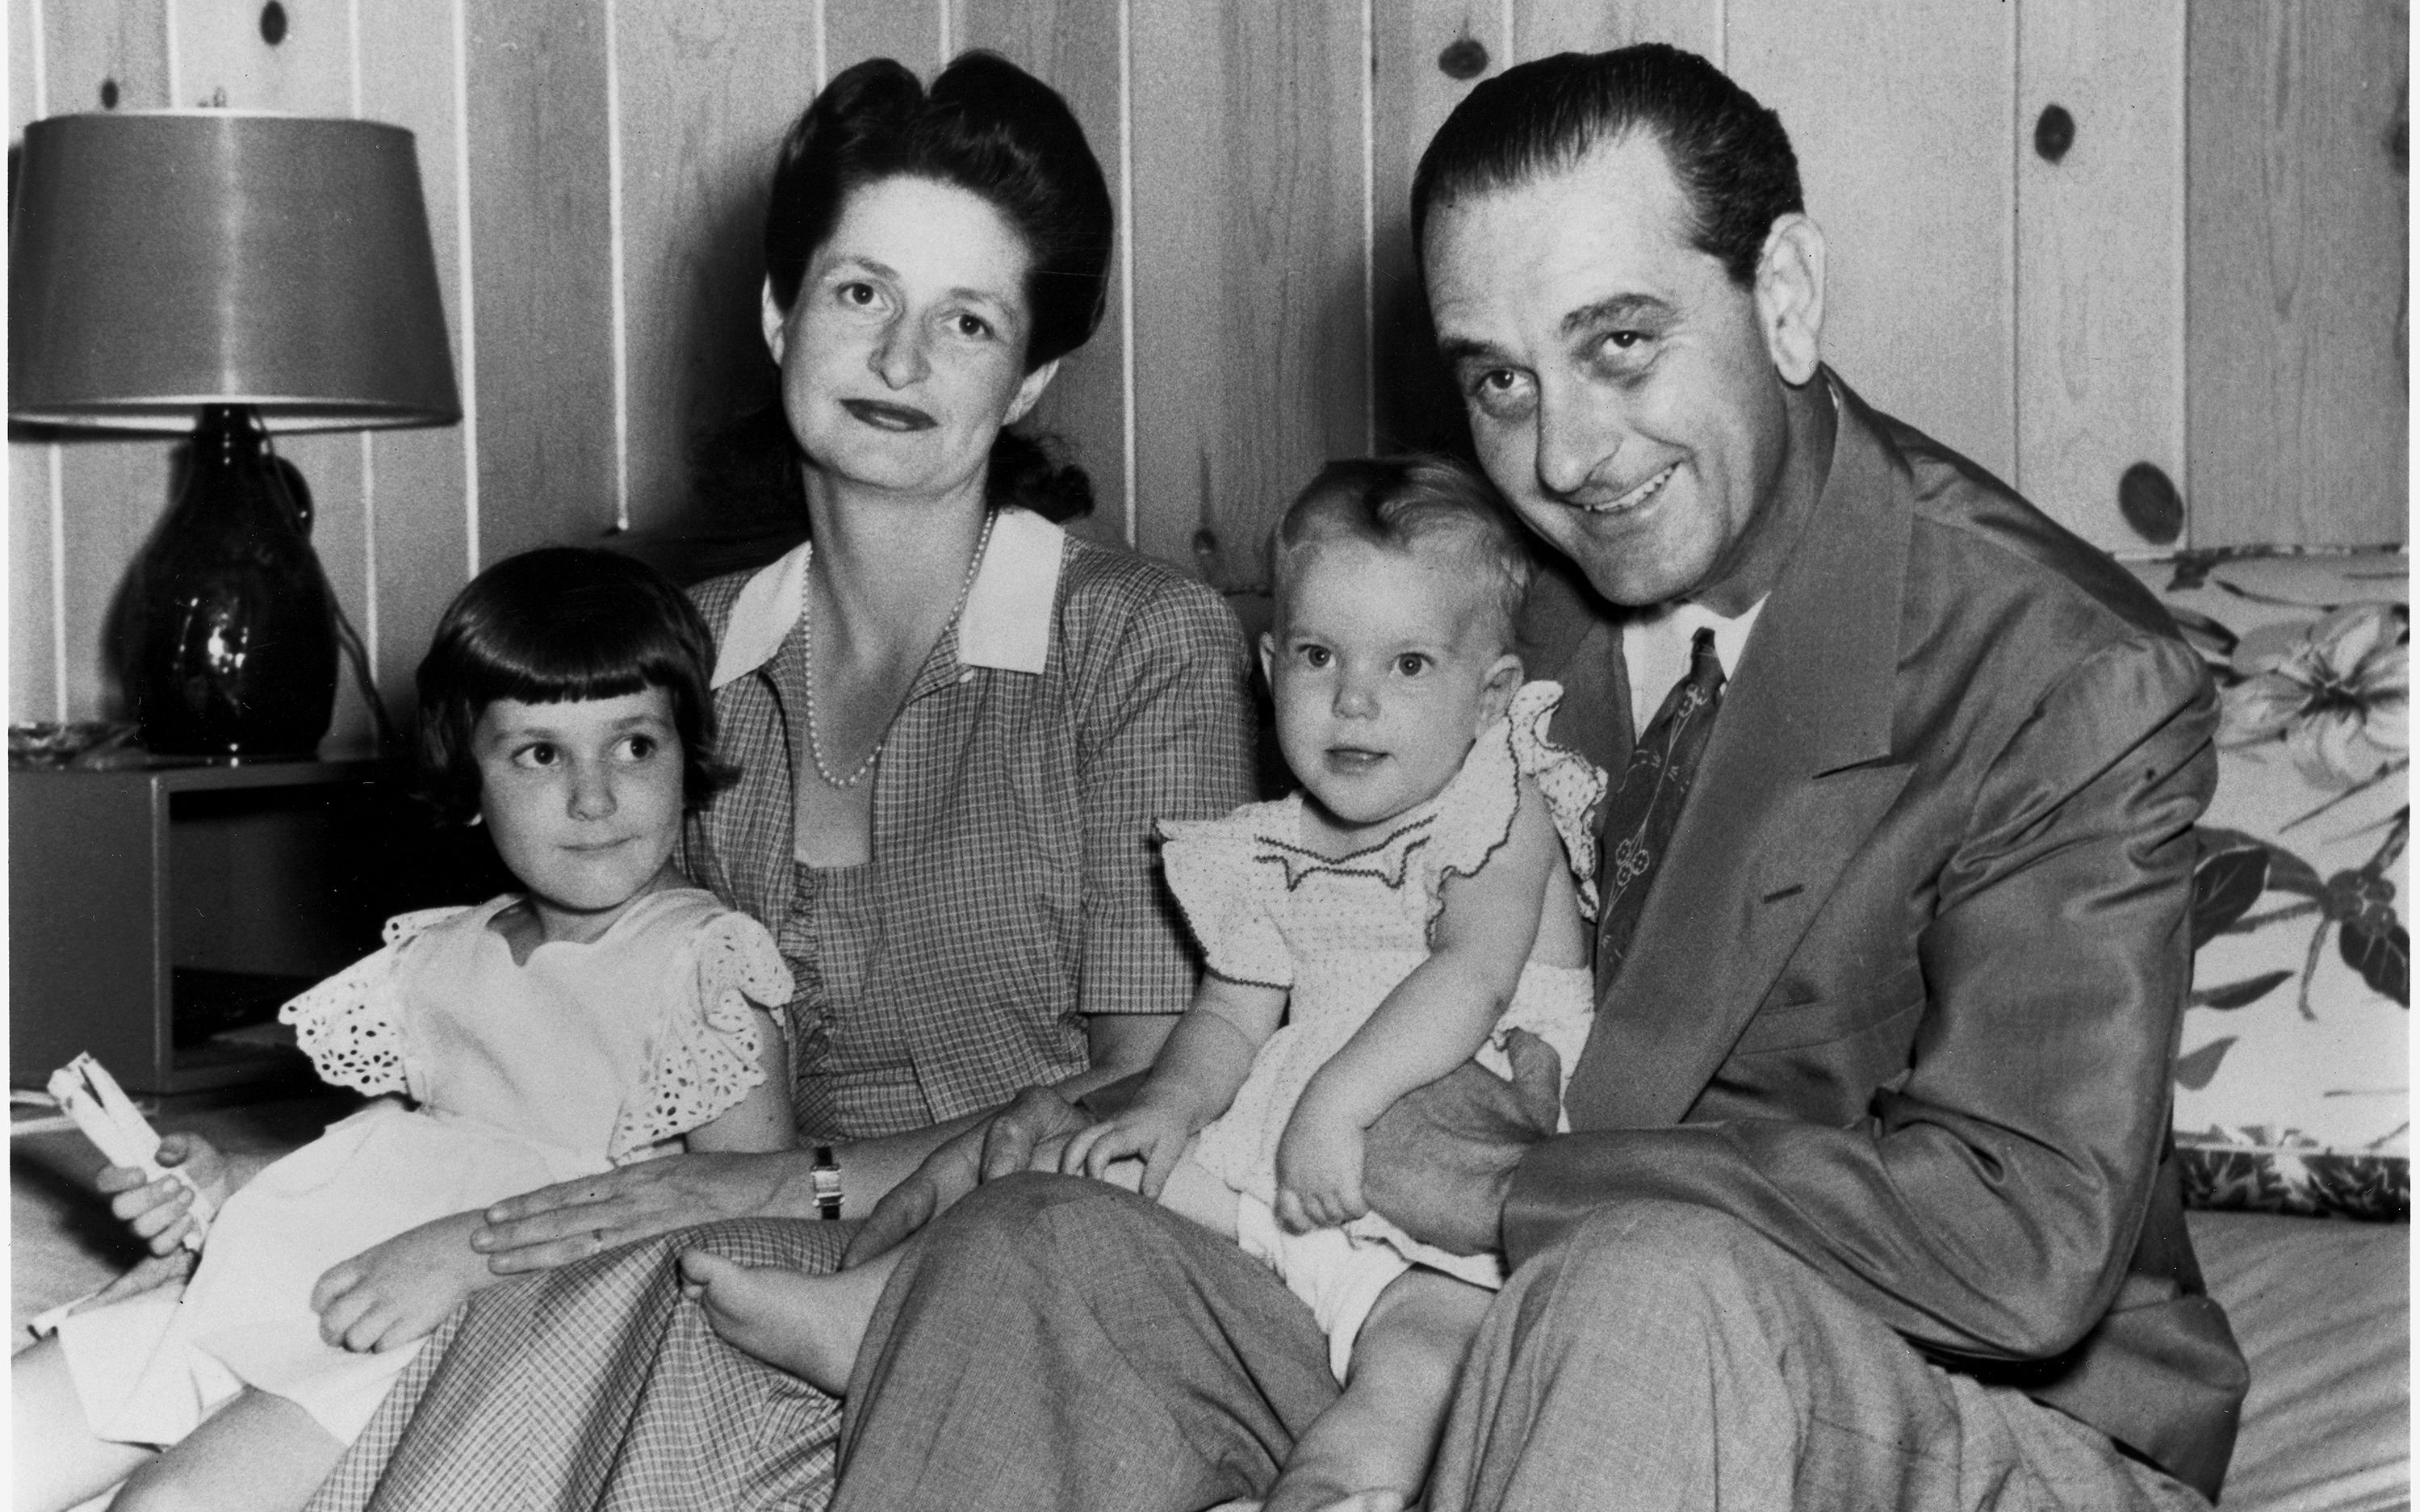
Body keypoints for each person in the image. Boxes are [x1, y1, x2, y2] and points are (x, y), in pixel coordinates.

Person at [819, 43, 2249, 1512]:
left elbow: (2020, 1247)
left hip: (1964, 1407)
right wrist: (1079, 1118)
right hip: (1481, 1321)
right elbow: (1327, 946)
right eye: (1499, 379)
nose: (1562, 453)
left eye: (1618, 342)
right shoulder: (1481, 607)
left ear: (1785, 295)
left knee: (1636, 1291)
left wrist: (1507, 1187)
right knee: (1038, 1252)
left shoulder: (2061, 670)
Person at [291, 52, 1255, 1512]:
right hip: (704, 1236)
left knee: (591, 1319)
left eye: (969, 319)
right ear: (777, 311)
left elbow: (1139, 1086)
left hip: (1016, 1258)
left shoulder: (1139, 641)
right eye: (861, 293)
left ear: (1032, 376)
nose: (901, 357)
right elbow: (557, 1016)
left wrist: (772, 1185)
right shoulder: (676, 663)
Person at [686, 456, 1605, 1511]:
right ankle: (880, 1312)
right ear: (1268, 667)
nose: (1354, 701)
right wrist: (1166, 1107)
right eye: (1318, 657)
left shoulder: (1499, 807)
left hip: (1440, 1157)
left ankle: (1342, 1482)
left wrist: (1339, 1108)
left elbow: (1472, 979)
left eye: (1406, 665)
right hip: (1278, 1173)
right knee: (1069, 1168)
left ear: (1489, 695)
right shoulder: (1268, 847)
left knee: (1425, 1345)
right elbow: (1229, 1008)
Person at [14, 548, 797, 1512]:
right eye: (540, 753)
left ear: (689, 753)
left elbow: (761, 1216)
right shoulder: (437, 956)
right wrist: (231, 1184)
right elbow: (396, 1160)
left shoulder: (706, 969)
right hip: (338, 1281)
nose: (595, 797)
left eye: (635, 744)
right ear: (468, 777)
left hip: (496, 1336)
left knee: (171, 1503)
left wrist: (475, 1249)